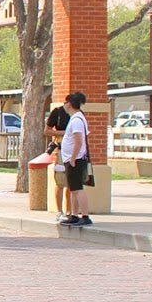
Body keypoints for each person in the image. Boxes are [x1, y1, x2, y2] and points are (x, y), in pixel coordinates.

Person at [59, 90, 92, 227]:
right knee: (73, 189)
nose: (64, 105)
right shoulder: (76, 118)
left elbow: (78, 141)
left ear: (70, 104)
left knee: (78, 189)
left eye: (65, 102)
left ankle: (85, 215)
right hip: (72, 159)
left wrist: (72, 158)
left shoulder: (77, 121)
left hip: (76, 160)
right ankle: (73, 214)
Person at [45, 100, 71, 220]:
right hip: (61, 150)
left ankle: (70, 211)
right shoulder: (58, 112)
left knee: (71, 183)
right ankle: (59, 211)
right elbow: (47, 130)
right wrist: (64, 133)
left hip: (73, 151)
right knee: (60, 181)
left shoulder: (78, 114)